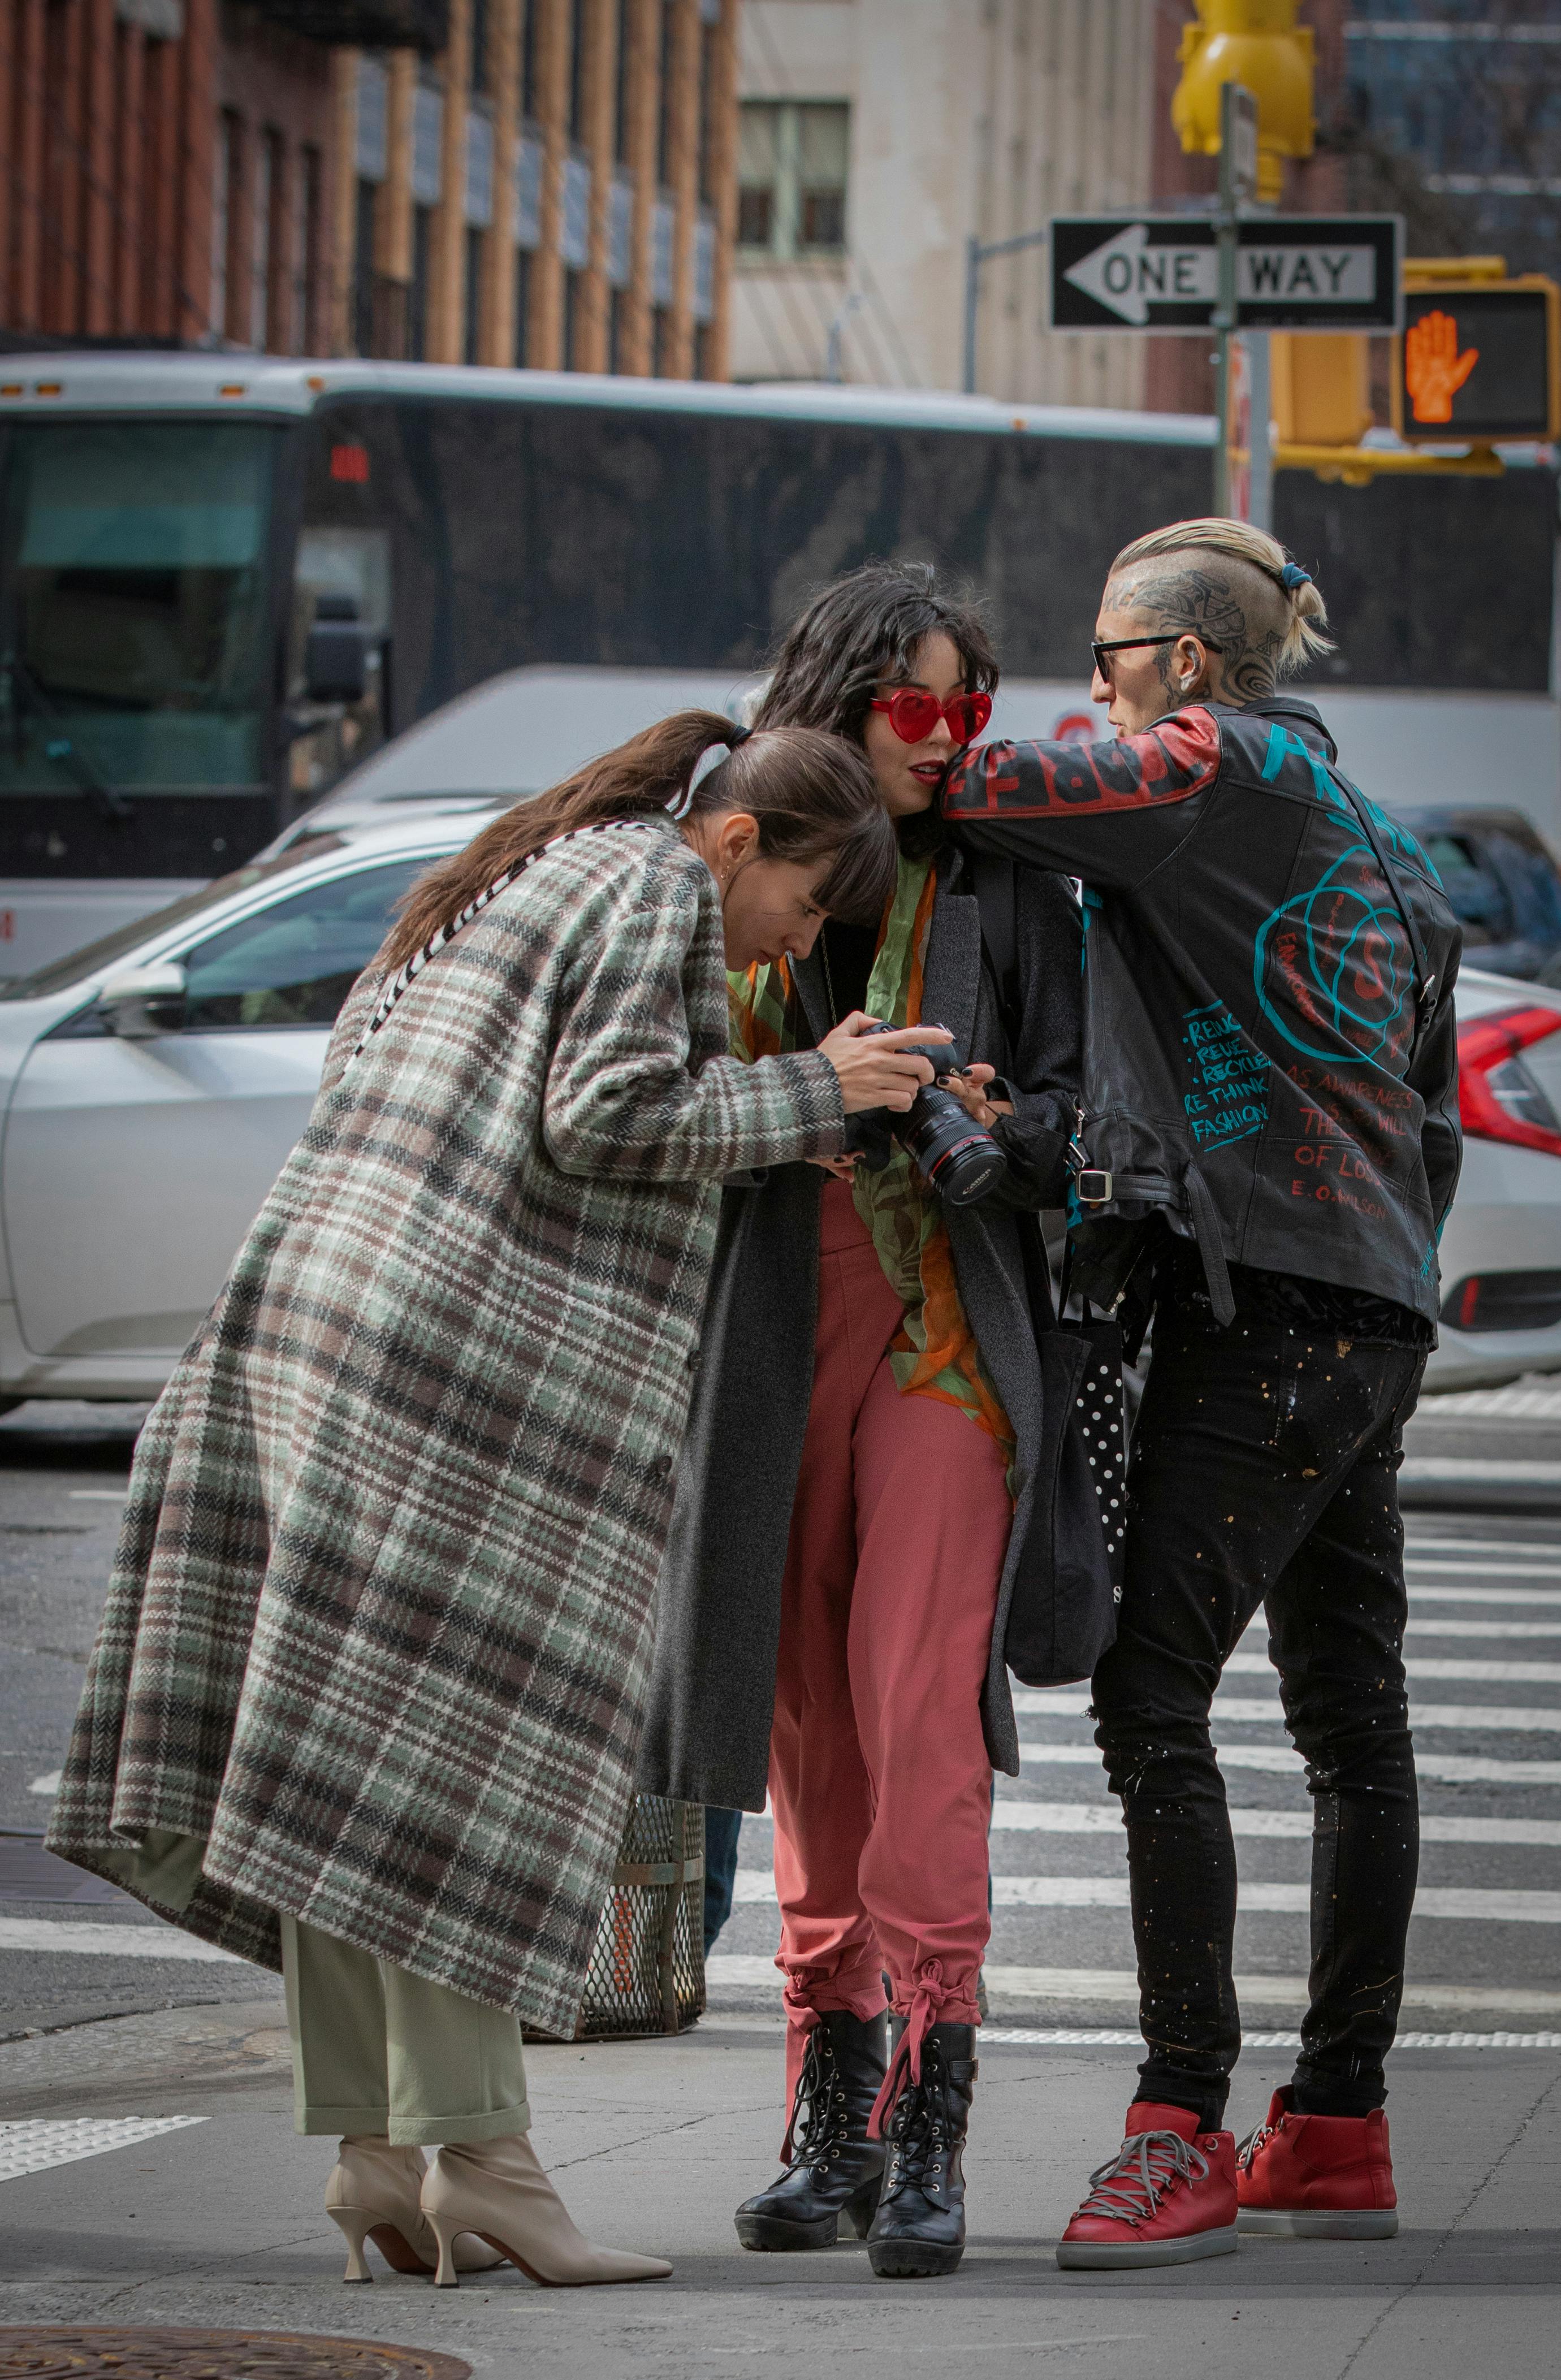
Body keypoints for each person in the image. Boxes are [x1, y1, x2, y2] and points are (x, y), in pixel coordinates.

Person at [47, 711, 933, 2293]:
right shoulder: (655, 889)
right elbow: (606, 1118)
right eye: (801, 904)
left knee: (342, 1758)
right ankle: (493, 2169)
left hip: (334, 1324)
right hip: (461, 1372)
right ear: (736, 841)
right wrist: (816, 1090)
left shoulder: (529, 866)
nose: (794, 938)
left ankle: (380, 2154)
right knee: (446, 1769)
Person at [937, 518, 1463, 2270]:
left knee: (1150, 1701)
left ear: (1189, 662)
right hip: (1372, 1313)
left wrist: (886, 740)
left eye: (1107, 653)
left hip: (1270, 1312)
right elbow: (1430, 1111)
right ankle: (1333, 2123)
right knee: (1348, 1720)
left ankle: (1177, 2126)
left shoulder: (1212, 757)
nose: (1090, 685)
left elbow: (989, 784)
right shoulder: (1392, 842)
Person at [637, 564, 1089, 2279]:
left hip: (944, 1343)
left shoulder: (1008, 887)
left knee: (913, 1716)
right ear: (837, 697)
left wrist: (994, 1116)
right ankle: (822, 2110)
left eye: (975, 703)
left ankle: (925, 2118)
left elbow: (1078, 1114)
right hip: (766, 1340)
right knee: (805, 1731)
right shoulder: (731, 874)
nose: (953, 736)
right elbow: (644, 1101)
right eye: (922, 704)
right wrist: (801, 1094)